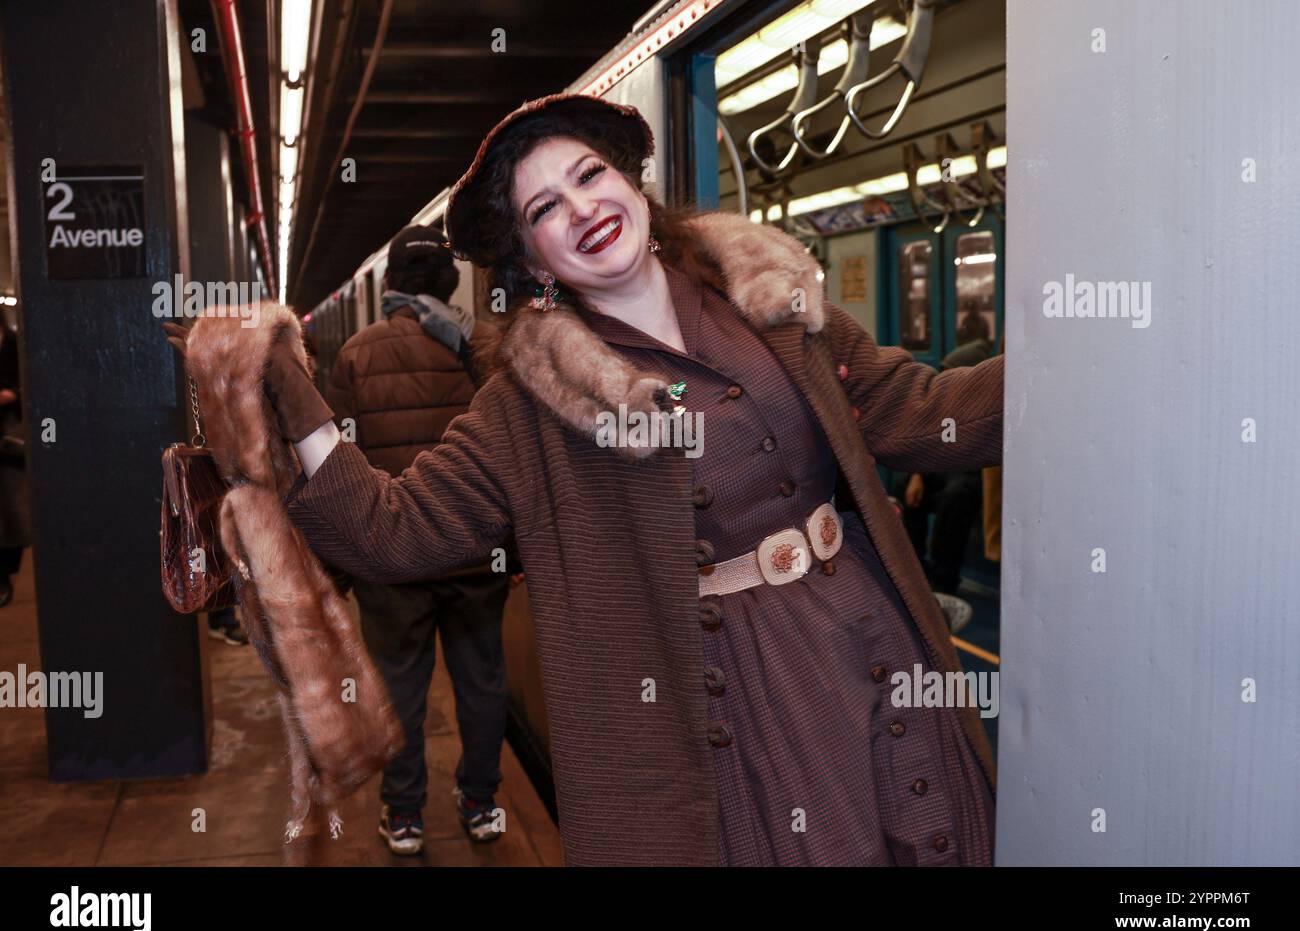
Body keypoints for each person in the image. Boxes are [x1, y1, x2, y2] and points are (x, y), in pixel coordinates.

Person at [166, 93, 1005, 866]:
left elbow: (917, 407)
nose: (582, 210)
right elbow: (394, 531)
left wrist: (1075, 363)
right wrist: (291, 392)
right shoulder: (529, 409)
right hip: (740, 694)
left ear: (631, 183)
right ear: (531, 257)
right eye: (545, 210)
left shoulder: (769, 302)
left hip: (870, 633)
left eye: (589, 175)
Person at [324, 225, 515, 854]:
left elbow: (333, 465)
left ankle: (403, 816)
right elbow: (509, 460)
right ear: (447, 284)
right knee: (482, 682)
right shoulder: (480, 353)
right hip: (471, 555)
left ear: (393, 285)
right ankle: (482, 802)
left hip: (390, 558)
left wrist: (344, 557)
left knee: (400, 687)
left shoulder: (356, 354)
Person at [892, 309, 996, 615]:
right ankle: (914, 573)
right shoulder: (949, 409)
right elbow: (929, 442)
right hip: (950, 467)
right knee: (904, 487)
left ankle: (943, 582)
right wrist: (917, 477)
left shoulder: (987, 409)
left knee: (957, 496)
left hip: (979, 474)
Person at [0, 318, 27, 608]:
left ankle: (6, 571)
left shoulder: (12, 343)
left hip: (9, 436)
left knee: (13, 508)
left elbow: (24, 384)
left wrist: (11, 395)